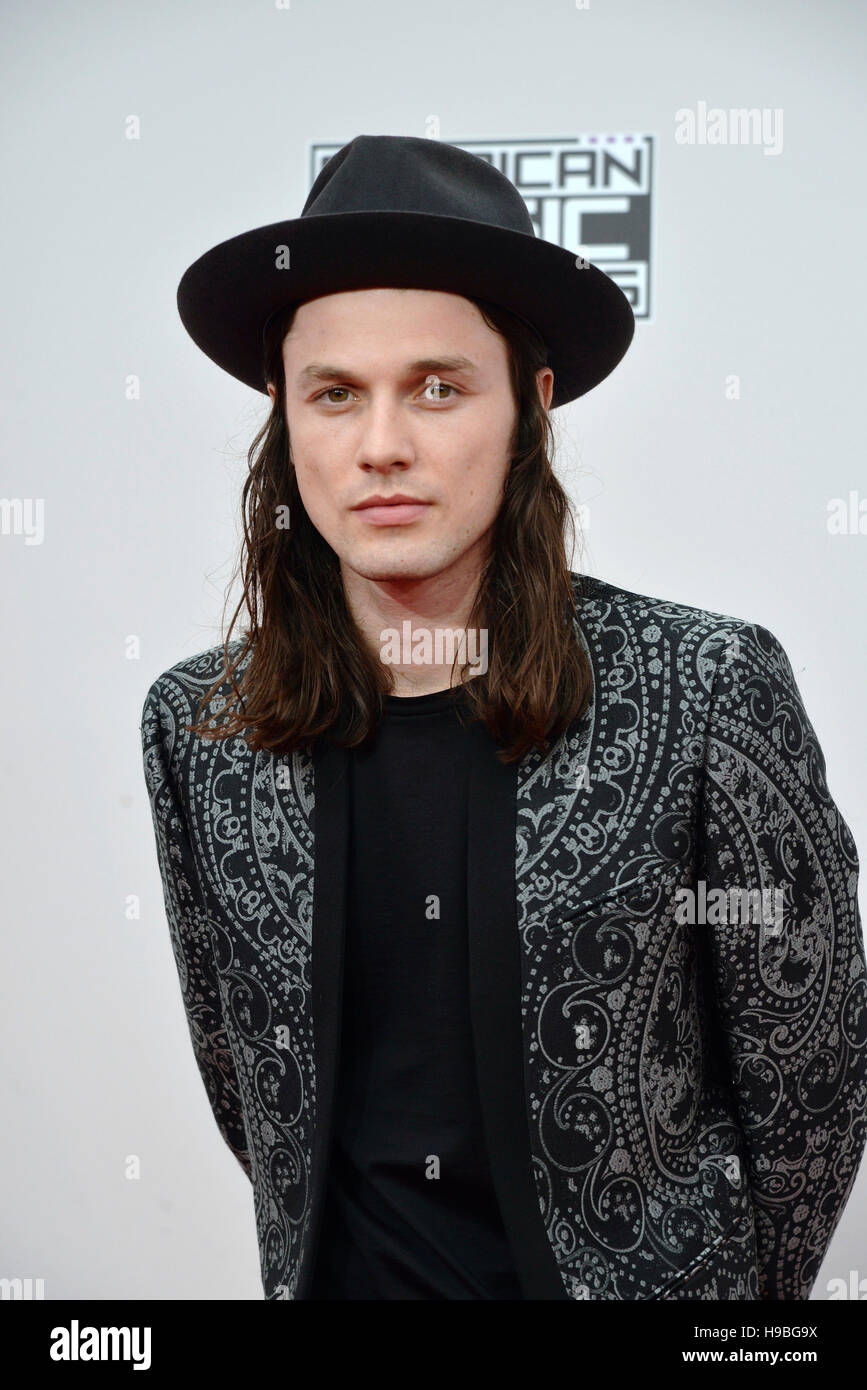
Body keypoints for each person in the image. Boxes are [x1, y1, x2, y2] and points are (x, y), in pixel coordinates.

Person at [141, 134, 867, 1300]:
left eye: (437, 385)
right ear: (286, 418)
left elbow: (809, 1089)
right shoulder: (200, 727)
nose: (383, 446)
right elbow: (255, 1097)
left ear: (529, 405)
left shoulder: (703, 685)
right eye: (335, 392)